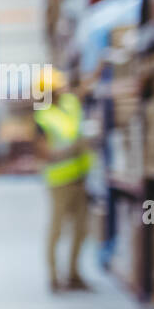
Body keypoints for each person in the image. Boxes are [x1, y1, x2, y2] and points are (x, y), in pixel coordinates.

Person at [34, 68, 93, 292]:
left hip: (80, 177)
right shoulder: (42, 117)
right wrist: (70, 150)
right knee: (57, 230)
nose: (61, 90)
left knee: (81, 229)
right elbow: (44, 153)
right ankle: (53, 277)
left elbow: (83, 90)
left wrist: (99, 66)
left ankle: (74, 275)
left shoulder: (69, 104)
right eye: (56, 88)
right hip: (59, 182)